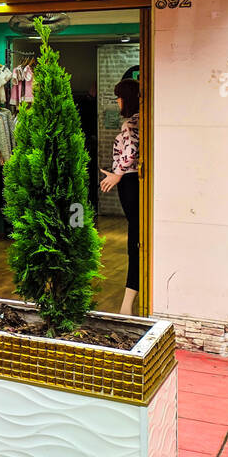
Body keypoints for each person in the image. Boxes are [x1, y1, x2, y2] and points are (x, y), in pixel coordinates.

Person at [100, 78, 141, 315]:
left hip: (130, 183)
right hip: (132, 181)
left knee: (134, 239)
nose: (117, 102)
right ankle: (129, 301)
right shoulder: (139, 121)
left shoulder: (131, 125)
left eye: (119, 97)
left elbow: (132, 151)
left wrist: (117, 173)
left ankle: (128, 303)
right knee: (135, 237)